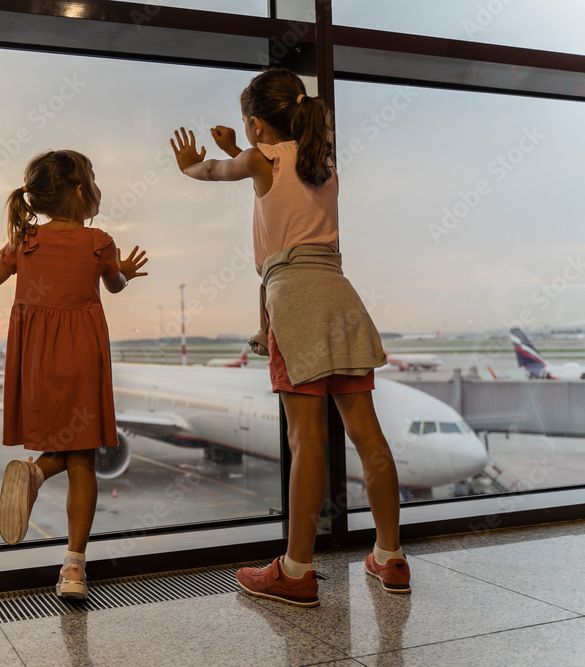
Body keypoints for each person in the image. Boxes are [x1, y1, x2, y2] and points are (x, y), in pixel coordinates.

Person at [170, 67, 409, 607]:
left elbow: (216, 171)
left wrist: (192, 164)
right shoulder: (322, 163)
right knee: (367, 437)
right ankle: (390, 557)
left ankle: (296, 571)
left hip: (293, 297)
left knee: (307, 442)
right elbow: (277, 171)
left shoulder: (260, 159)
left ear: (256, 125)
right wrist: (246, 141)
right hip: (338, 292)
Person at [0, 149, 148, 599]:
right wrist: (126, 274)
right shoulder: (99, 241)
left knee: (62, 445)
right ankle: (74, 570)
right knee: (83, 460)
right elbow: (115, 284)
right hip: (82, 357)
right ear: (83, 191)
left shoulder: (25, 242)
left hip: (36, 359)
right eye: (95, 178)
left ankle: (38, 472)